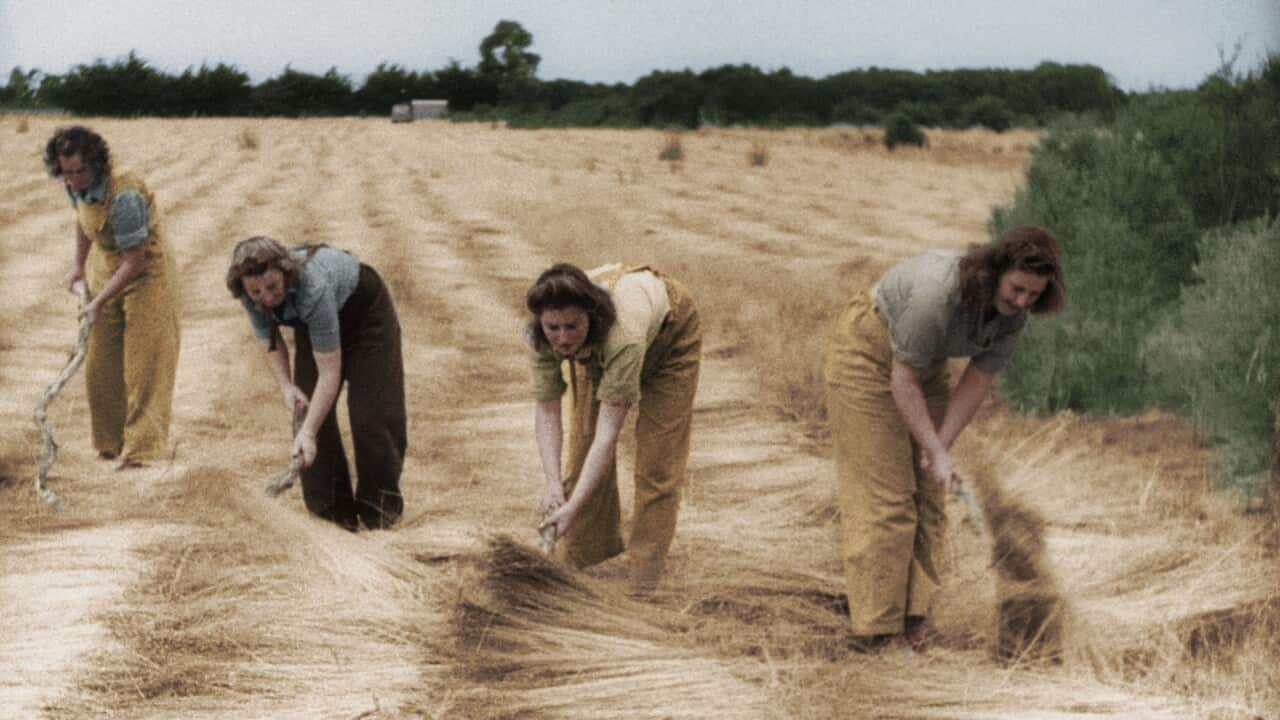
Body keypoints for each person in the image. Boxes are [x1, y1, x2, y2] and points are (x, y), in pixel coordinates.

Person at [822, 225, 1065, 652]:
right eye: (1017, 289)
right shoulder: (938, 293)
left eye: (1034, 295)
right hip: (867, 352)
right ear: (995, 271)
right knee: (888, 500)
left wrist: (941, 449)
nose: (1022, 302)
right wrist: (932, 447)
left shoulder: (1013, 319)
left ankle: (914, 622)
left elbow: (977, 380)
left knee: (930, 499)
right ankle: (879, 632)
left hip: (923, 366)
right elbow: (902, 380)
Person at [528, 262, 701, 595]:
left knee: (657, 463)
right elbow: (547, 410)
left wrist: (573, 505)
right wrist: (553, 485)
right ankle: (583, 566)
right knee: (580, 452)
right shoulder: (540, 337)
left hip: (670, 335)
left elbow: (609, 435)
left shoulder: (622, 338)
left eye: (571, 326)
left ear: (590, 317)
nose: (562, 338)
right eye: (553, 328)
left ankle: (643, 582)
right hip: (605, 340)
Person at [225, 237, 405, 531]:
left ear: (286, 273)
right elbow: (270, 339)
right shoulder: (248, 294)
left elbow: (329, 374)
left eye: (272, 287)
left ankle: (380, 513)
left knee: (370, 415)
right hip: (314, 325)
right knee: (310, 412)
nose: (266, 298)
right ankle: (332, 518)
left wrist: (307, 432)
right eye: (256, 291)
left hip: (365, 317)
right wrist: (286, 386)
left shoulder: (313, 289)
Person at [43, 126, 181, 471]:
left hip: (147, 274)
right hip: (107, 267)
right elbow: (83, 220)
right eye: (67, 172)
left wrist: (97, 302)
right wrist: (77, 266)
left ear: (96, 163)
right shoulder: (75, 186)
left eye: (80, 171)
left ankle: (142, 453)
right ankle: (110, 445)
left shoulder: (124, 194)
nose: (73, 179)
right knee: (100, 365)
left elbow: (134, 262)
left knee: (145, 363)